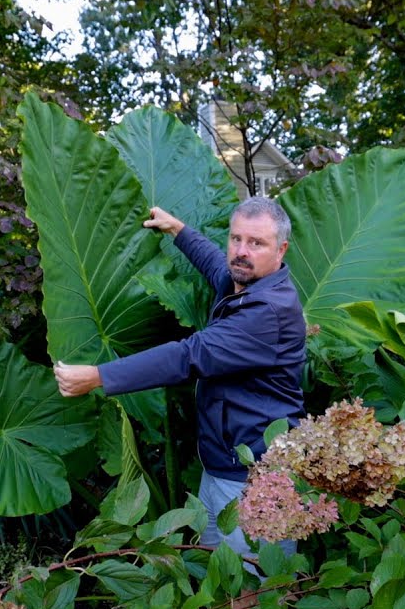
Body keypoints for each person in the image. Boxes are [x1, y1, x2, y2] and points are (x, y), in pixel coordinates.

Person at [53, 196, 307, 563]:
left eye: (256, 243)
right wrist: (179, 230)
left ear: (281, 250)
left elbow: (188, 356)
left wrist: (98, 376)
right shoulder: (247, 285)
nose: (241, 251)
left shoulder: (268, 311)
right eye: (236, 239)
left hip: (256, 481)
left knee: (251, 595)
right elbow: (216, 268)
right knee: (213, 575)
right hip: (223, 466)